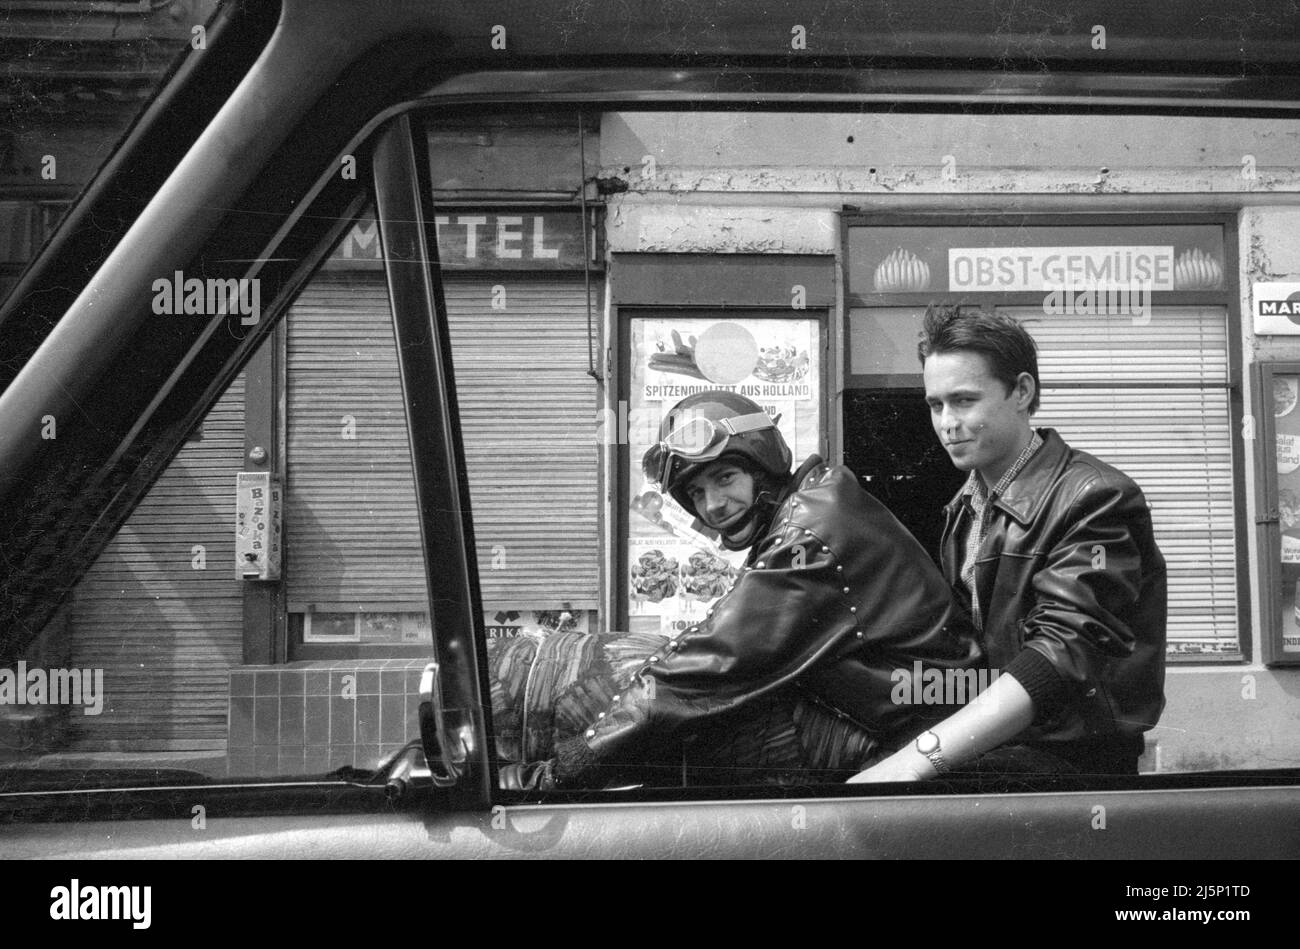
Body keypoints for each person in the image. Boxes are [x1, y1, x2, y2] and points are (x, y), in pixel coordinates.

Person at [499, 390, 981, 789]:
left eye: (725, 478)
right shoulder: (813, 502)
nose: (714, 505)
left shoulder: (809, 532)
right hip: (900, 713)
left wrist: (573, 762)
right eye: (697, 494)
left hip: (910, 735)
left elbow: (712, 662)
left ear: (763, 464)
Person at [849, 306, 1166, 784]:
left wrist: (919, 758)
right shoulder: (965, 508)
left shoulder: (1095, 496)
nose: (947, 423)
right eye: (936, 405)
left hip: (1069, 762)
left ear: (1022, 391)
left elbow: (1063, 655)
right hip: (1001, 745)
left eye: (964, 401)